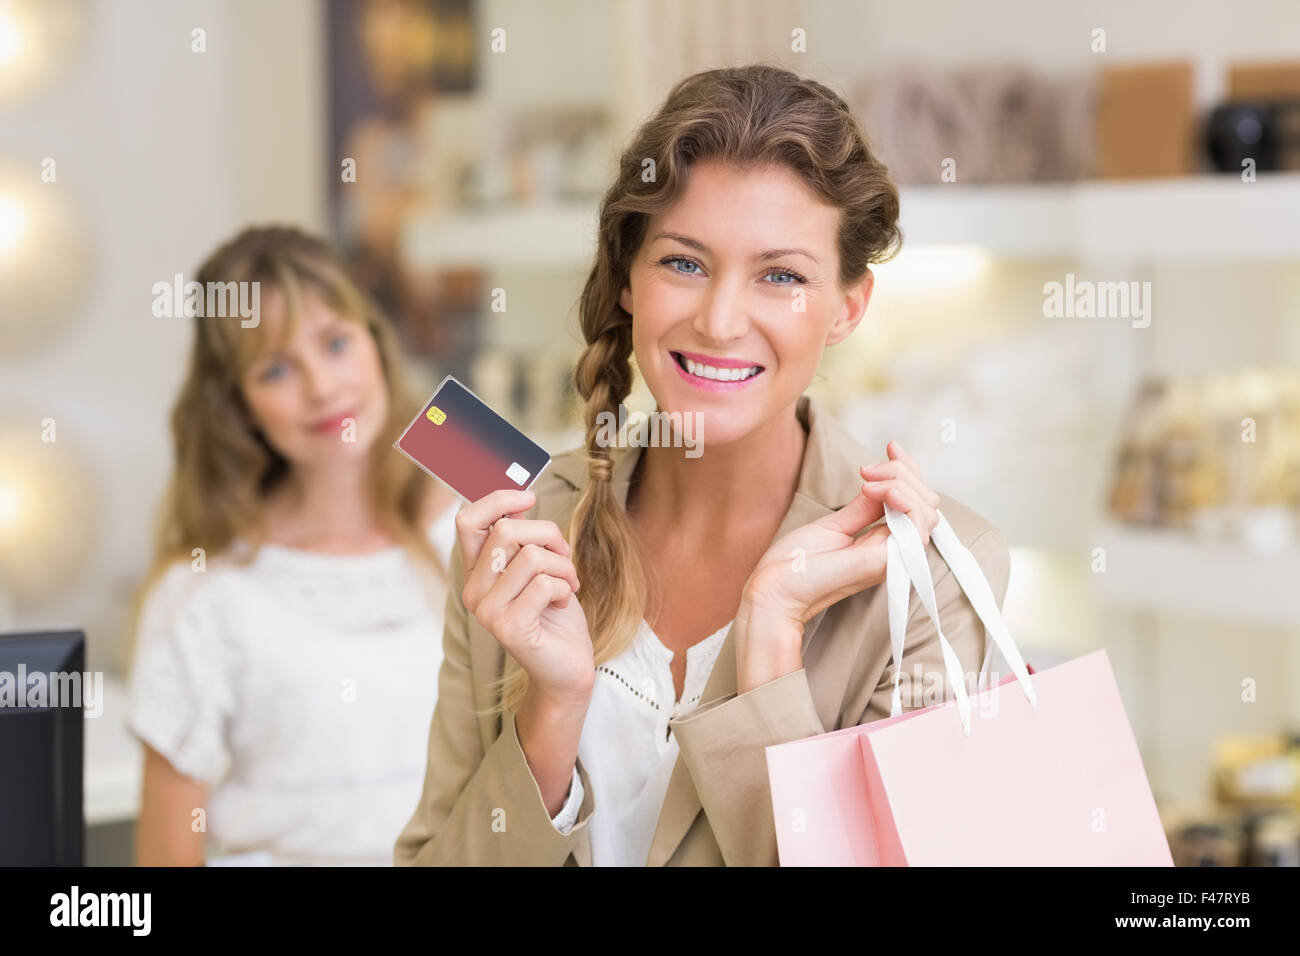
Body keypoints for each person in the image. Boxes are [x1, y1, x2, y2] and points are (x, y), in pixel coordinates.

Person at [394, 65, 1012, 867]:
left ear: (848, 307)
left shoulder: (933, 576)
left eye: (781, 276)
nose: (720, 321)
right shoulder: (521, 524)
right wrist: (552, 714)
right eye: (683, 263)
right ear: (625, 279)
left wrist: (771, 641)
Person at [128, 226, 460, 866]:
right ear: (239, 406)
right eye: (276, 368)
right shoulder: (204, 590)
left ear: (375, 343)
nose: (322, 386)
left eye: (336, 343)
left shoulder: (475, 530)